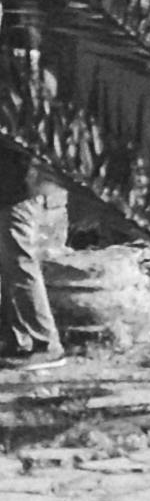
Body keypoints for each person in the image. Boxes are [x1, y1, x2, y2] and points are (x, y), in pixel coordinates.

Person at [0, 128, 59, 361]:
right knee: (9, 269)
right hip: (9, 190)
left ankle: (46, 343)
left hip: (14, 192)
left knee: (20, 266)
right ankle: (18, 340)